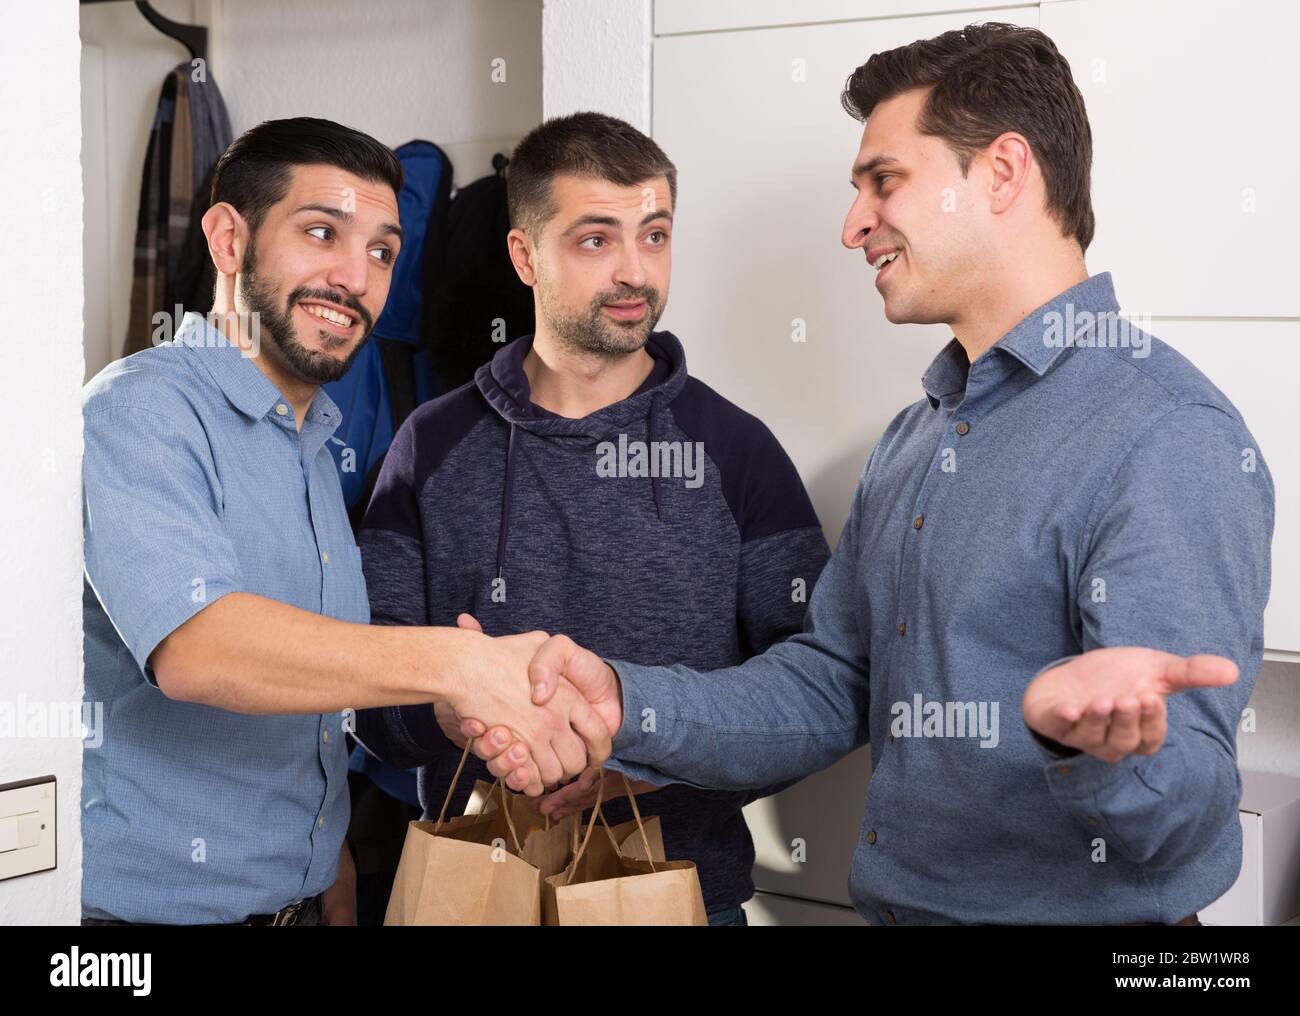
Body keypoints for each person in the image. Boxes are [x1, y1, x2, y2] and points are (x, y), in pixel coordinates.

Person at [468, 24, 1274, 926]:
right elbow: (829, 682)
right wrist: (624, 700)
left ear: (1004, 172)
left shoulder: (1165, 433)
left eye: (882, 181)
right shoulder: (916, 438)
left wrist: (1097, 747)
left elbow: (1187, 812)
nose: (853, 225)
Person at [80, 117, 607, 926]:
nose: (354, 277)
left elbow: (312, 680)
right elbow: (196, 648)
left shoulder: (316, 444)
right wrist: (459, 664)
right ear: (227, 238)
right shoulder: (140, 409)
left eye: (382, 252)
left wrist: (336, 854)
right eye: (321, 232)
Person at [351, 112, 830, 926]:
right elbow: (362, 697)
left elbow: (814, 704)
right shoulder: (428, 447)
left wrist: (639, 758)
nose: (634, 272)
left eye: (654, 236)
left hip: (679, 902)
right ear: (524, 254)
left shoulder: (737, 452)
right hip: (471, 901)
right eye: (595, 240)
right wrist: (450, 707)